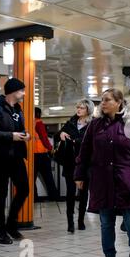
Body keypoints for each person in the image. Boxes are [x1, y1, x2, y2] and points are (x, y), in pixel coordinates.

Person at [74, 88, 130, 257]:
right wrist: (79, 174)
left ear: (119, 102)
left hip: (127, 181)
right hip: (102, 182)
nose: (103, 103)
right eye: (102, 100)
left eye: (107, 100)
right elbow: (84, 152)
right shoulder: (95, 125)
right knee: (106, 222)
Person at [0, 78, 30, 245]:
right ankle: (0, 232)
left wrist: (24, 135)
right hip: (0, 157)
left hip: (16, 156)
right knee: (1, 194)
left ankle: (11, 224)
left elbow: (18, 130)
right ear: (13, 91)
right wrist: (10, 136)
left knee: (24, 188)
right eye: (22, 90)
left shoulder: (17, 109)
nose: (24, 93)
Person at [55, 98, 94, 233]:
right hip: (69, 163)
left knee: (83, 194)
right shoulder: (71, 122)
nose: (78, 110)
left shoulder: (92, 124)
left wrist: (75, 140)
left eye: (81, 108)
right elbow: (56, 136)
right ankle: (70, 222)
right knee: (70, 193)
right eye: (77, 107)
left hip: (85, 164)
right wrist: (61, 134)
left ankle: (81, 220)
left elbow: (92, 142)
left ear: (88, 110)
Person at [34, 107, 57, 202]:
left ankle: (34, 198)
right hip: (41, 154)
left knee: (31, 179)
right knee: (48, 178)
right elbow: (44, 138)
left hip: (32, 154)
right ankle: (54, 197)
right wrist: (51, 148)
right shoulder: (38, 123)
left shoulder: (29, 123)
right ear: (39, 114)